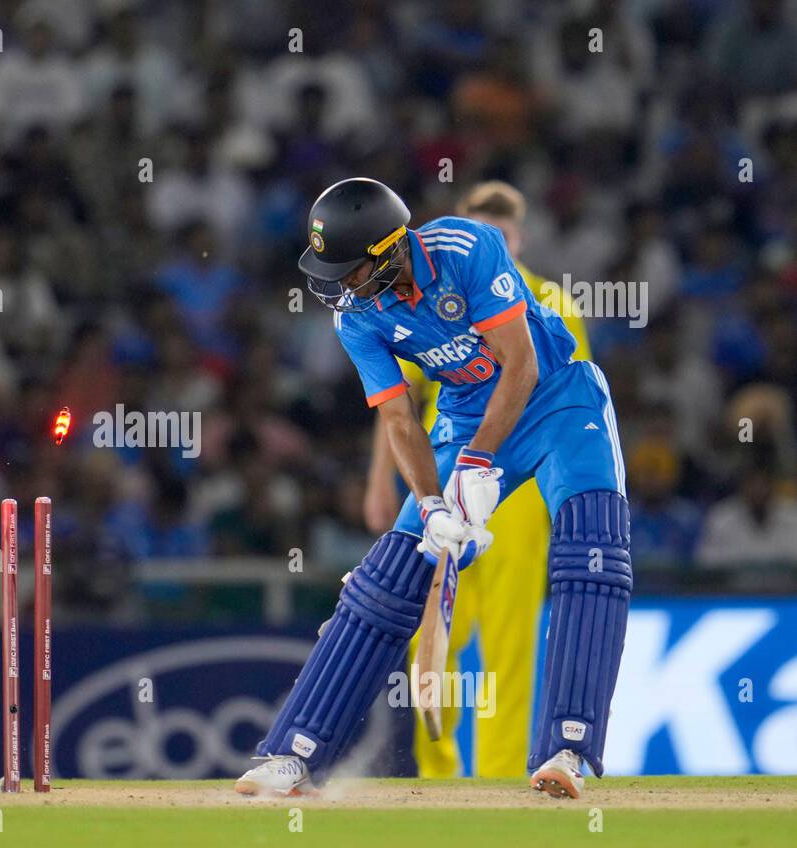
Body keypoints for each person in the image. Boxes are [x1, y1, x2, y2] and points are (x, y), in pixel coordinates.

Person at [236, 178, 630, 799]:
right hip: (466, 414)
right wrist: (429, 501)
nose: (341, 283)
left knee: (592, 554)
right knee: (386, 581)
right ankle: (293, 753)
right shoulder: (356, 316)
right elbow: (397, 419)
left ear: (392, 248)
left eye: (351, 267)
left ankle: (568, 746)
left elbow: (521, 363)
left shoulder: (466, 246)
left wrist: (478, 464)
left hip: (560, 399)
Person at [363, 181, 592, 777]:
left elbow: (562, 399)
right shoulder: (434, 286)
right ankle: (438, 779)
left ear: (520, 237)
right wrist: (380, 483)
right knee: (429, 631)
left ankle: (495, 781)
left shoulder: (550, 300)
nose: (502, 245)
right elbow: (399, 401)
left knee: (509, 649)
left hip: (514, 496)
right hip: (445, 474)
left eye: (510, 235)